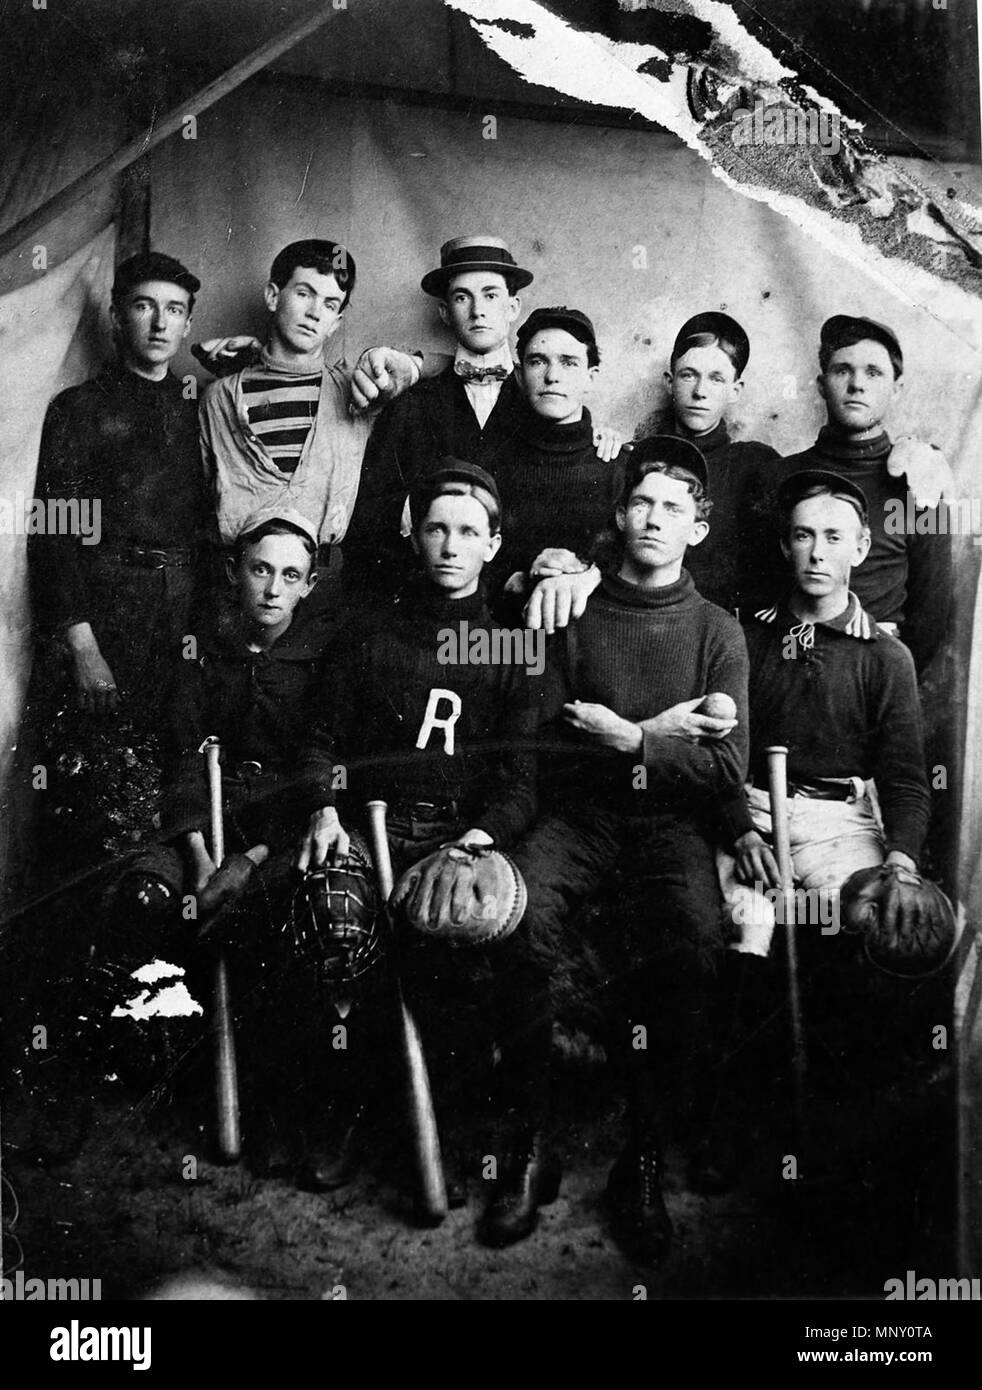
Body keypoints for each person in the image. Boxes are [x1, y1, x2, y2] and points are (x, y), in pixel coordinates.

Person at [511, 436, 749, 1262]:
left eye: (673, 509)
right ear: (618, 516)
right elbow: (541, 737)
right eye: (642, 503)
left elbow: (726, 764)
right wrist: (653, 733)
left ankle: (640, 1157)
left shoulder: (717, 632)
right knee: (523, 917)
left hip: (671, 826)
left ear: (699, 529)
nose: (654, 519)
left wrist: (628, 739)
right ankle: (529, 1142)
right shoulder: (574, 610)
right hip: (579, 818)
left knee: (693, 942)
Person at [297, 462, 548, 1238]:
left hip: (454, 838)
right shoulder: (371, 632)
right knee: (335, 927)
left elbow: (520, 782)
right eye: (437, 526)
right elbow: (319, 740)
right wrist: (324, 809)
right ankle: (346, 1106)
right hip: (368, 828)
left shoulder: (512, 649)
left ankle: (524, 1142)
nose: (450, 544)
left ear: (494, 543)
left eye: (469, 531)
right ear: (413, 532)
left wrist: (480, 840)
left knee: (511, 950)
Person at [28, 250, 214, 864]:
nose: (160, 323)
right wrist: (81, 645)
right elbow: (53, 534)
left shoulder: (198, 407)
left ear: (188, 323)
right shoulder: (78, 409)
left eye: (175, 310)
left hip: (179, 610)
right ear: (116, 317)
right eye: (143, 306)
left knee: (170, 780)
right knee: (93, 786)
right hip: (107, 608)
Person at [718, 468, 931, 952]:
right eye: (803, 535)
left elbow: (906, 781)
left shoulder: (885, 656)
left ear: (859, 548)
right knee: (746, 934)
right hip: (752, 812)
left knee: (865, 929)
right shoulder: (745, 640)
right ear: (784, 546)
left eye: (833, 537)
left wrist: (900, 862)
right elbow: (718, 757)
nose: (816, 552)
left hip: (839, 825)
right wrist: (742, 832)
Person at [342, 236, 622, 596]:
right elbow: (368, 519)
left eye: (491, 295)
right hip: (427, 600)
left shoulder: (547, 398)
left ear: (513, 307)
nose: (478, 311)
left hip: (521, 606)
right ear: (444, 312)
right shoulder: (409, 404)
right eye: (462, 297)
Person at [197, 239, 429, 602]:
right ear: (273, 296)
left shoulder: (358, 393)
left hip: (325, 590)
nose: (315, 312)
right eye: (304, 293)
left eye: (330, 304)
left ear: (337, 322)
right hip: (235, 584)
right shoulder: (220, 397)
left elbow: (460, 369)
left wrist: (412, 364)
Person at [768, 316, 952, 676]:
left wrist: (883, 675)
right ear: (821, 385)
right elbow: (765, 596)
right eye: (842, 371)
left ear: (896, 388)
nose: (856, 385)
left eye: (873, 373)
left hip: (873, 674)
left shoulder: (919, 485)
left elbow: (931, 616)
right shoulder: (781, 477)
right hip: (789, 664)